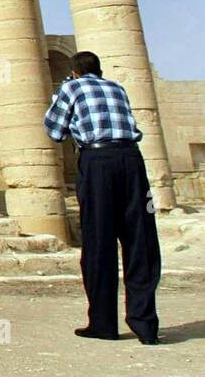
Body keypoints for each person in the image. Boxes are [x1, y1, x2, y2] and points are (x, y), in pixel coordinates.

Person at [44, 50, 161, 345]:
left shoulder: (72, 86)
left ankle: (103, 324)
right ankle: (146, 326)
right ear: (100, 70)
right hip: (132, 161)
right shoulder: (116, 87)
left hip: (98, 163)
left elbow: (55, 130)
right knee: (141, 241)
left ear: (75, 72)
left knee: (99, 242)